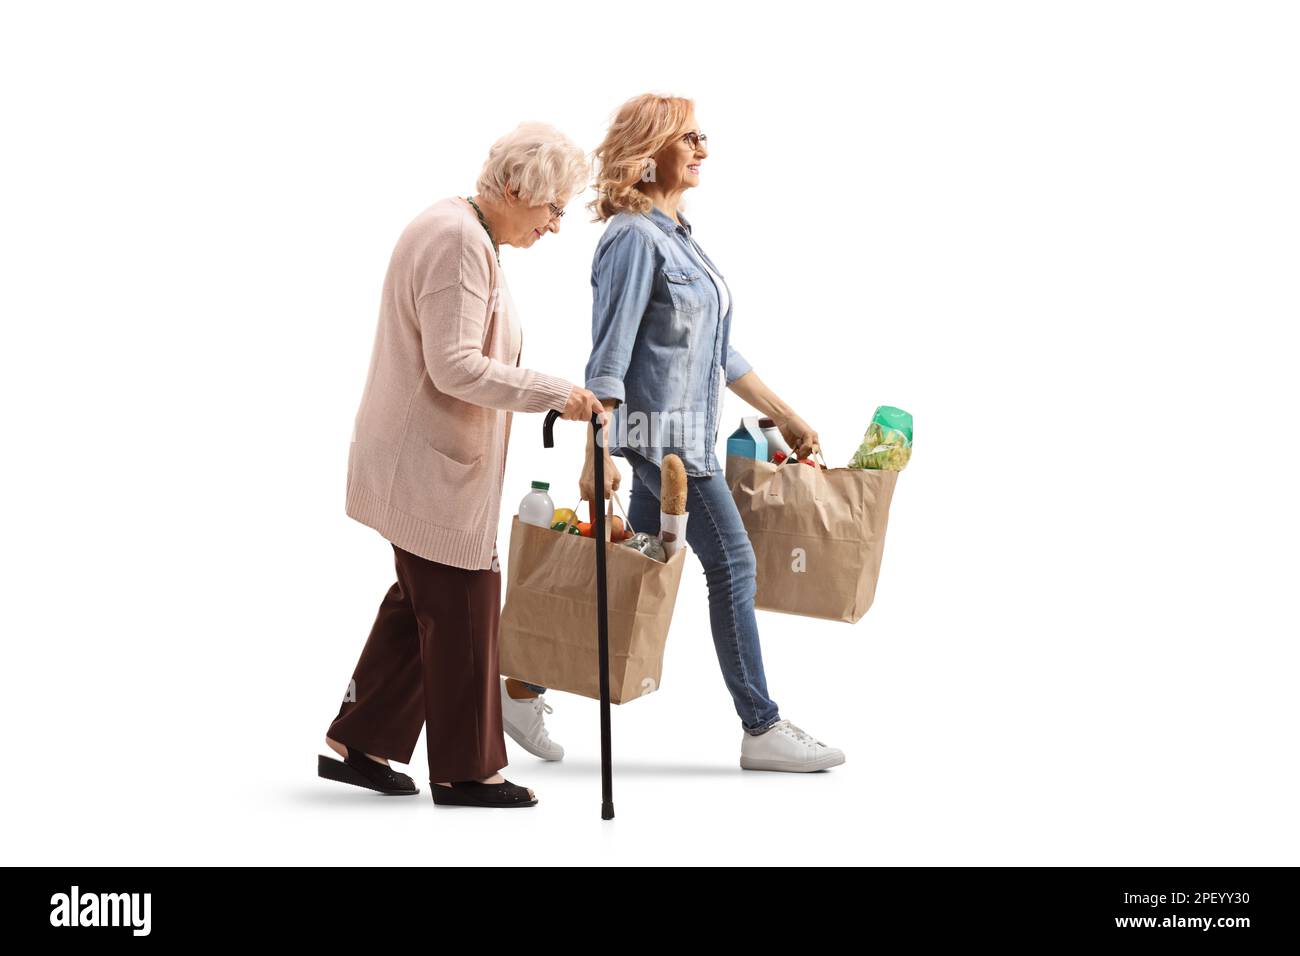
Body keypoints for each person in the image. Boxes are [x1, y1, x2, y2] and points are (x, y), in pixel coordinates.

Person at [318, 122, 606, 809]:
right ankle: (467, 771)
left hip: (423, 457)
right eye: (553, 208)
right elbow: (454, 367)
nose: (555, 225)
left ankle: (360, 738)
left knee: (422, 604)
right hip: (427, 466)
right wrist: (555, 394)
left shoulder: (463, 230)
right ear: (516, 189)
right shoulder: (458, 242)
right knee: (467, 606)